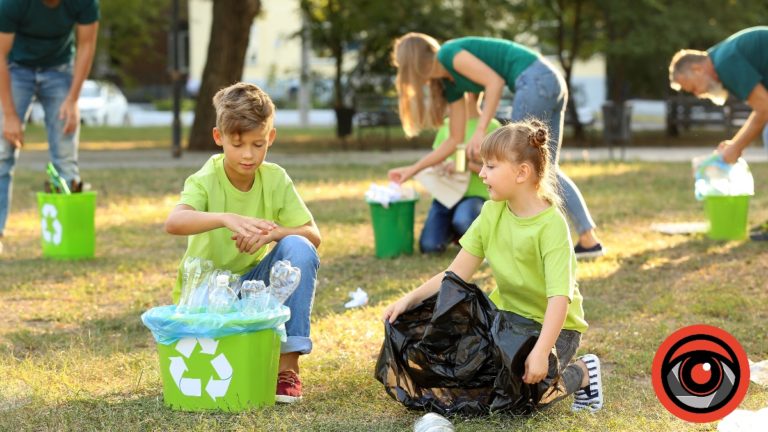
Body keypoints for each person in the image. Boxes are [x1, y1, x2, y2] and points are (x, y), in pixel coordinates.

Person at [382, 120, 604, 413]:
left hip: (555, 330)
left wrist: (540, 352)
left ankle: (584, 371)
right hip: (506, 322)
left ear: (522, 172)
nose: (482, 174)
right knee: (479, 389)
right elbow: (454, 275)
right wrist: (408, 300)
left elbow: (559, 299)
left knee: (521, 400)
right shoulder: (491, 213)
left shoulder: (551, 226)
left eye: (490, 166)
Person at [164, 83, 321, 404]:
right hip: (205, 293)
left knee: (298, 247)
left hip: (251, 290)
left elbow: (313, 236)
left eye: (258, 144)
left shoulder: (275, 178)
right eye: (237, 145)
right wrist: (224, 218)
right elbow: (174, 222)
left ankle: (287, 368)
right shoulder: (205, 178)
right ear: (219, 137)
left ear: (271, 138)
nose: (248, 155)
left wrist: (273, 233)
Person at [388, 33, 604, 259]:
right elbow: (454, 139)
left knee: (517, 168)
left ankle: (525, 243)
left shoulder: (448, 54)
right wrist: (412, 170)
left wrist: (481, 130)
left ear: (410, 65)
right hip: (546, 81)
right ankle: (588, 240)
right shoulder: (450, 84)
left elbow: (494, 82)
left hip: (534, 81)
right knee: (545, 169)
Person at [0, 0, 100, 255]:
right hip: (15, 69)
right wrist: (10, 115)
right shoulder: (12, 4)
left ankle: (70, 240)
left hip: (60, 71)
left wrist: (73, 99)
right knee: (2, 154)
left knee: (65, 158)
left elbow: (87, 44)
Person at [668, 26, 768, 240]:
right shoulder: (723, 58)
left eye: (693, 88)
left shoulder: (725, 62)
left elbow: (764, 108)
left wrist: (736, 147)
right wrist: (735, 144)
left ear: (697, 69)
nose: (698, 94)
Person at [418, 92, 501, 253]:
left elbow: (497, 172)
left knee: (463, 220)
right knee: (429, 247)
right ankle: (454, 233)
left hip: (474, 196)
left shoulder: (492, 127)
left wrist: (465, 165)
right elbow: (436, 160)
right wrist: (441, 165)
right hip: (446, 194)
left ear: (468, 95)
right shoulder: (446, 125)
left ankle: (463, 229)